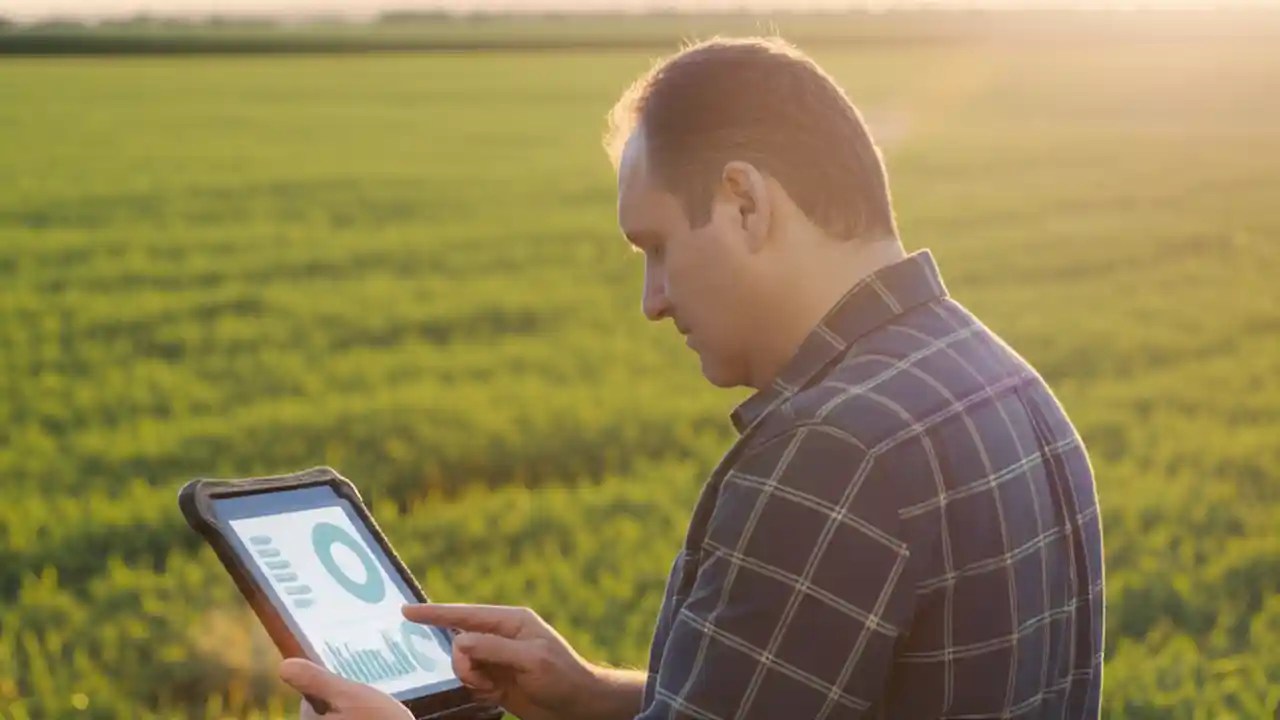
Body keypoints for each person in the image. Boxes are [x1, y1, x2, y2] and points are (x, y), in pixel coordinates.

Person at [279, 36, 1105, 719]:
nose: (653, 301)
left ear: (745, 202)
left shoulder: (834, 450)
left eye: (658, 248)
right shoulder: (1002, 381)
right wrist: (589, 695)